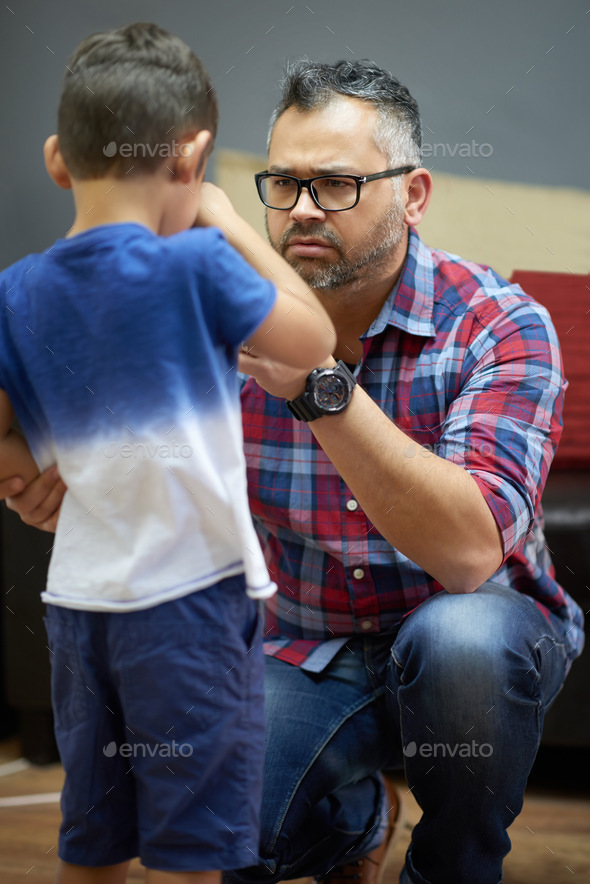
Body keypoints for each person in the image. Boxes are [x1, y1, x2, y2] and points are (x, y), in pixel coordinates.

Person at [3, 58, 585, 884]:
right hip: (301, 647)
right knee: (218, 830)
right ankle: (356, 821)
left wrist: (319, 390)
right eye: (283, 183)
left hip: (470, 633)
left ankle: (454, 869)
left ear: (414, 195)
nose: (303, 209)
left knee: (463, 643)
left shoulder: (500, 324)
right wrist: (64, 489)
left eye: (337, 185)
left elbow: (467, 556)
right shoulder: (210, 317)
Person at [0, 26, 334, 884]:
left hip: (79, 607)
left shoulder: (15, 291)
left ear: (57, 160)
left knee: (94, 837)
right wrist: (230, 224)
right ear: (191, 157)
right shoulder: (198, 265)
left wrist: (21, 475)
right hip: (191, 609)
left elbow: (7, 437)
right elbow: (313, 339)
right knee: (191, 849)